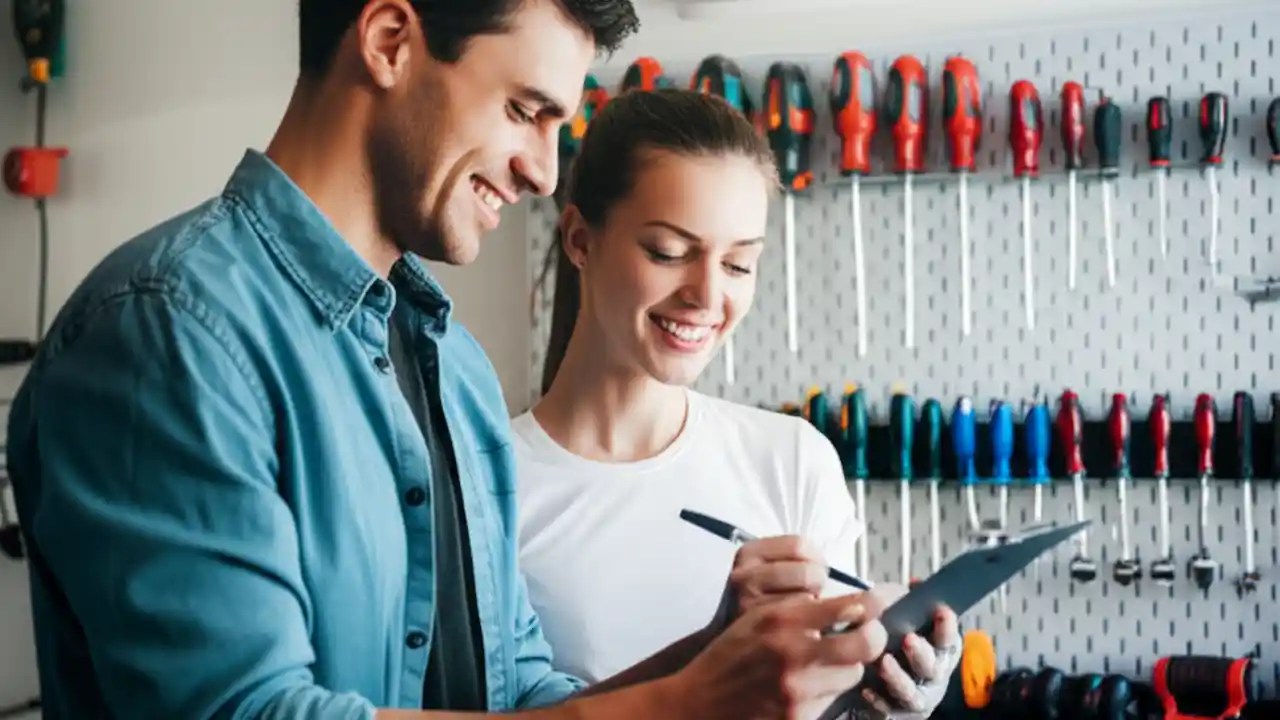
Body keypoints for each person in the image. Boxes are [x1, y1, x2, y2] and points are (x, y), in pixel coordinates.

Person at [5, 1, 898, 718]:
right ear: (391, 41)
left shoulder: (453, 370)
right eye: (525, 111)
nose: (547, 172)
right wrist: (687, 703)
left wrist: (715, 657)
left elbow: (515, 696)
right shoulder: (169, 334)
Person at [516, 88, 963, 718]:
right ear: (580, 239)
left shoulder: (793, 459)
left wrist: (890, 695)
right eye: (668, 252)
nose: (706, 295)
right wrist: (712, 657)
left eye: (739, 264)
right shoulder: (488, 487)